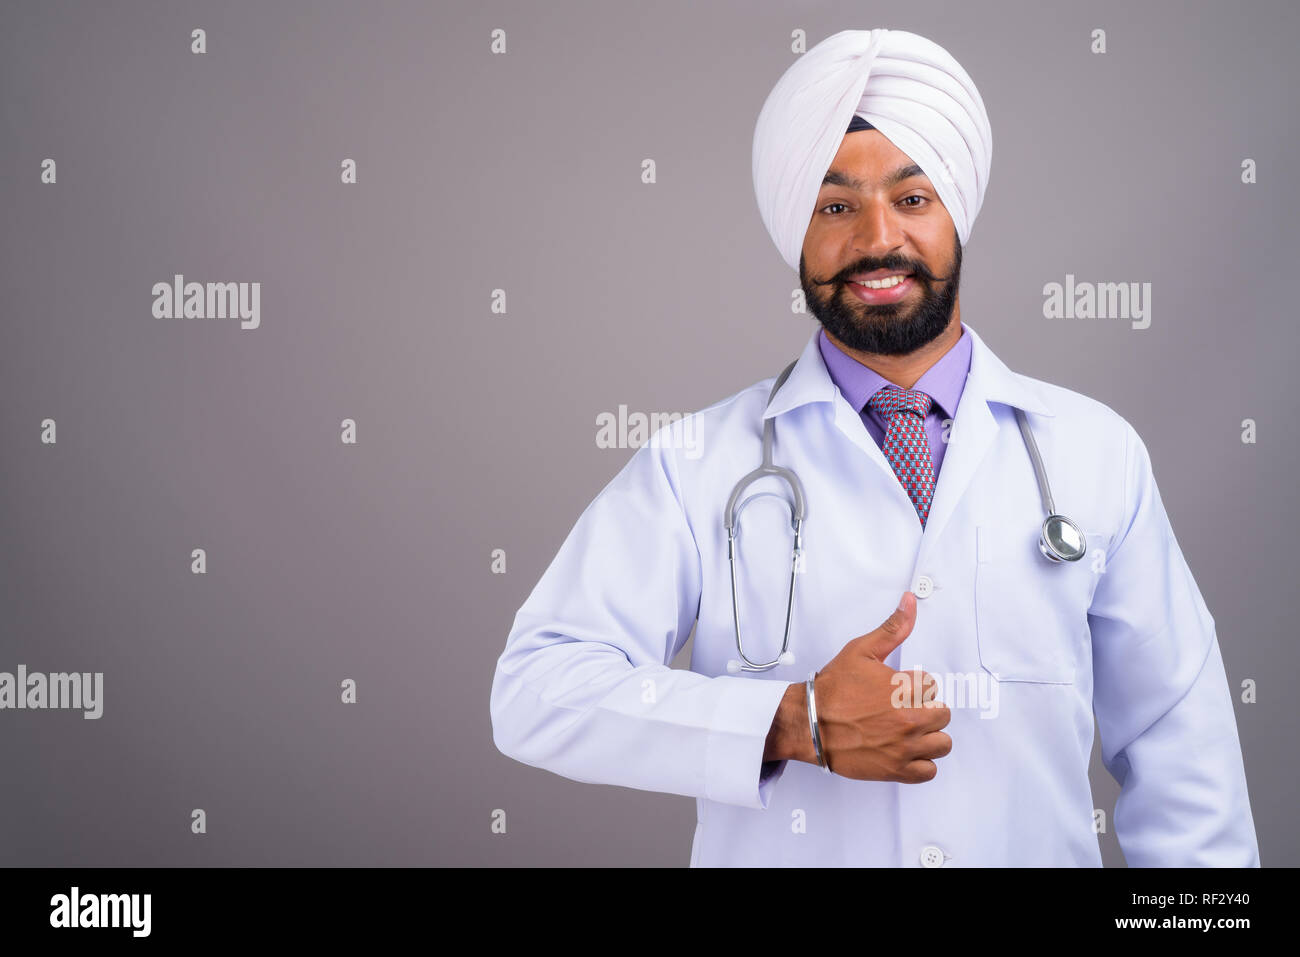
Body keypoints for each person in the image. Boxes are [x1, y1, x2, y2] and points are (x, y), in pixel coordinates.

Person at [489, 28, 1260, 867]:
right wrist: (792, 720)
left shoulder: (1095, 453)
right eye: (835, 206)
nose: (877, 239)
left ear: (957, 210)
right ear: (798, 231)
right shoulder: (696, 463)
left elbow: (1185, 762)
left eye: (913, 198)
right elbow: (535, 690)